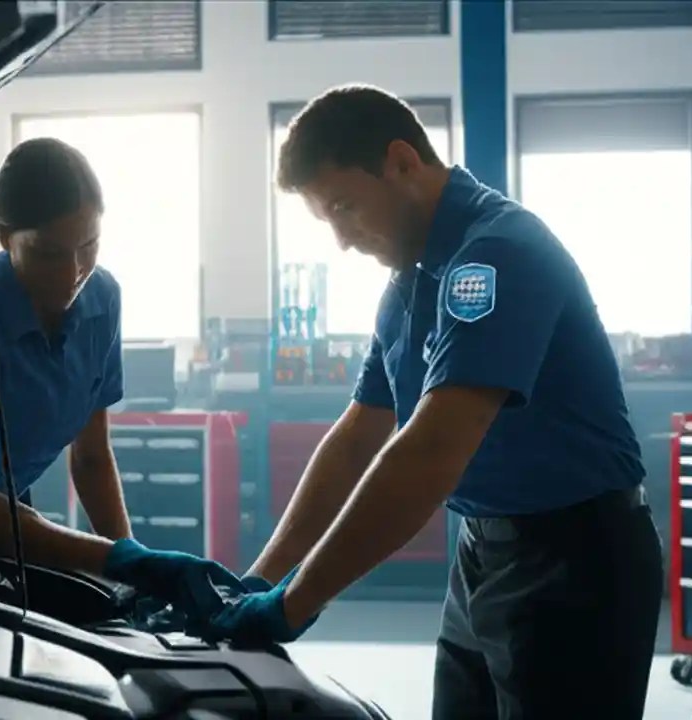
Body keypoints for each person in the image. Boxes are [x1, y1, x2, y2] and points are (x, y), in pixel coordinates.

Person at [204, 85, 664, 719]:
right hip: (483, 550)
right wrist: (258, 581)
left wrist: (294, 603)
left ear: (401, 162)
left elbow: (428, 454)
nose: (341, 240)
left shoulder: (498, 254)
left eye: (344, 207)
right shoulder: (410, 282)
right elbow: (357, 437)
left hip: (576, 560)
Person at [0, 137, 241, 615]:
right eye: (49, 253)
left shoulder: (102, 299)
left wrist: (135, 571)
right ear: (3, 235)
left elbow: (91, 459)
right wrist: (121, 561)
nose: (73, 272)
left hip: (11, 511)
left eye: (89, 246)